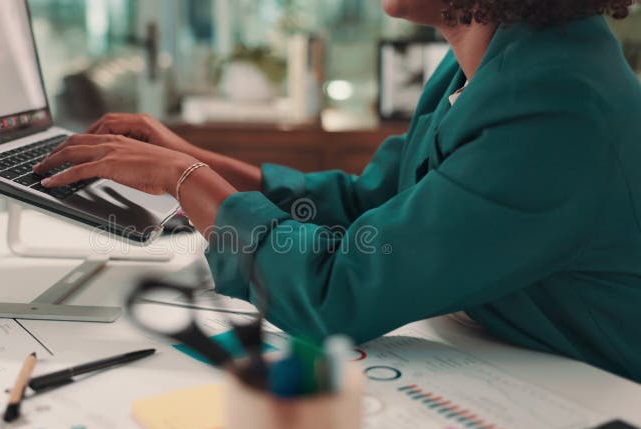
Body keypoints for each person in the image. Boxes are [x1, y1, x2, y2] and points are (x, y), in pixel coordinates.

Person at [34, 0, 641, 381]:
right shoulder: (487, 65)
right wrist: (191, 156)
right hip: (522, 363)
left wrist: (180, 179)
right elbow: (366, 203)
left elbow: (337, 291)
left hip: (599, 401)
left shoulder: (554, 110)